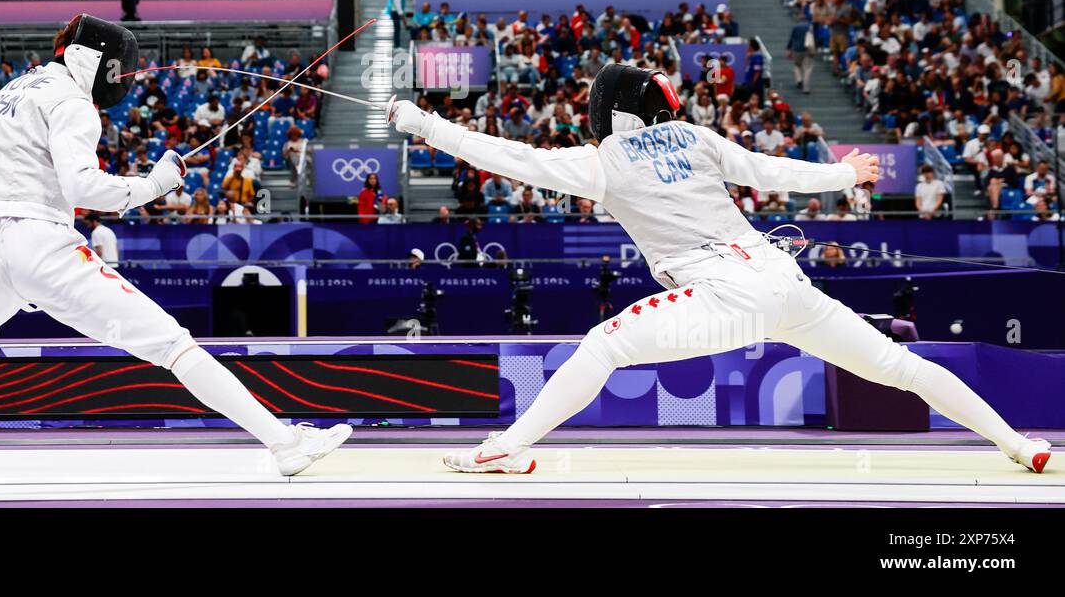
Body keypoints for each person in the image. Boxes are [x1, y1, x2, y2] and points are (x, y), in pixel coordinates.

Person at [387, 63, 1051, 475]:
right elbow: (775, 174)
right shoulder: (697, 138)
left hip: (726, 294)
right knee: (903, 369)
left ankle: (504, 447)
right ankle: (1017, 443)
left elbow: (512, 158)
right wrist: (847, 172)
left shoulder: (604, 162)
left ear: (608, 112)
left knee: (602, 345)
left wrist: (425, 123)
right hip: (786, 284)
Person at [0, 14, 349, 480]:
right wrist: (154, 184)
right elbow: (81, 187)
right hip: (41, 245)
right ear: (92, 61)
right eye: (118, 71)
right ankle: (285, 444)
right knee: (173, 345)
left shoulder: (9, 92)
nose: (120, 81)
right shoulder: (74, 103)